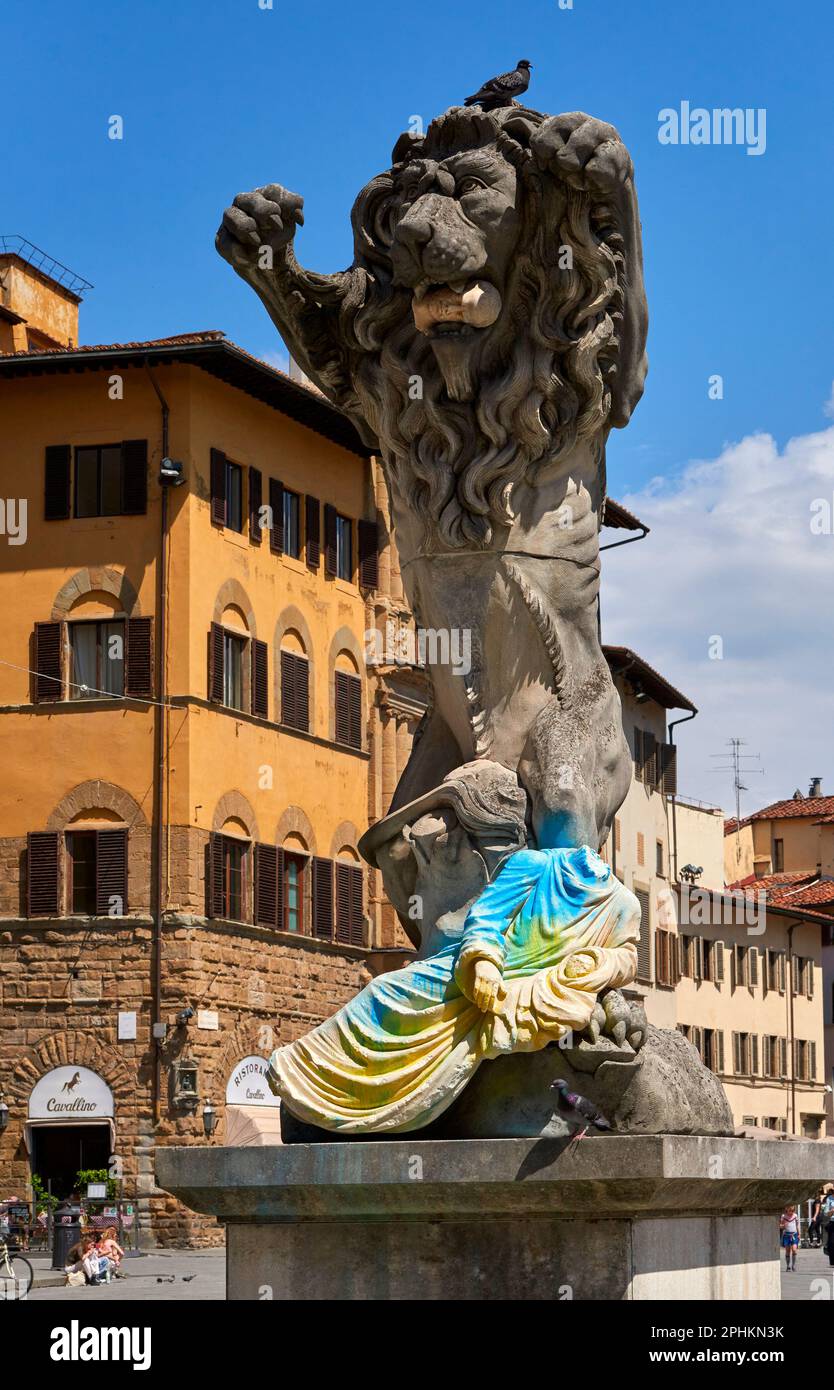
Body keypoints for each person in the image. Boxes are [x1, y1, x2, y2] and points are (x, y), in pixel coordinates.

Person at [780, 1204, 800, 1271]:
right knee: (787, 1251)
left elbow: (797, 1225)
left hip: (794, 1234)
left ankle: (793, 1266)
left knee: (794, 1250)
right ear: (787, 1210)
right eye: (790, 1211)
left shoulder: (795, 1215)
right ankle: (788, 1266)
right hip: (786, 1235)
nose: (791, 1212)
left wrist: (799, 1233)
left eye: (792, 1210)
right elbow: (780, 1225)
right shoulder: (784, 1216)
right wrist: (783, 1226)